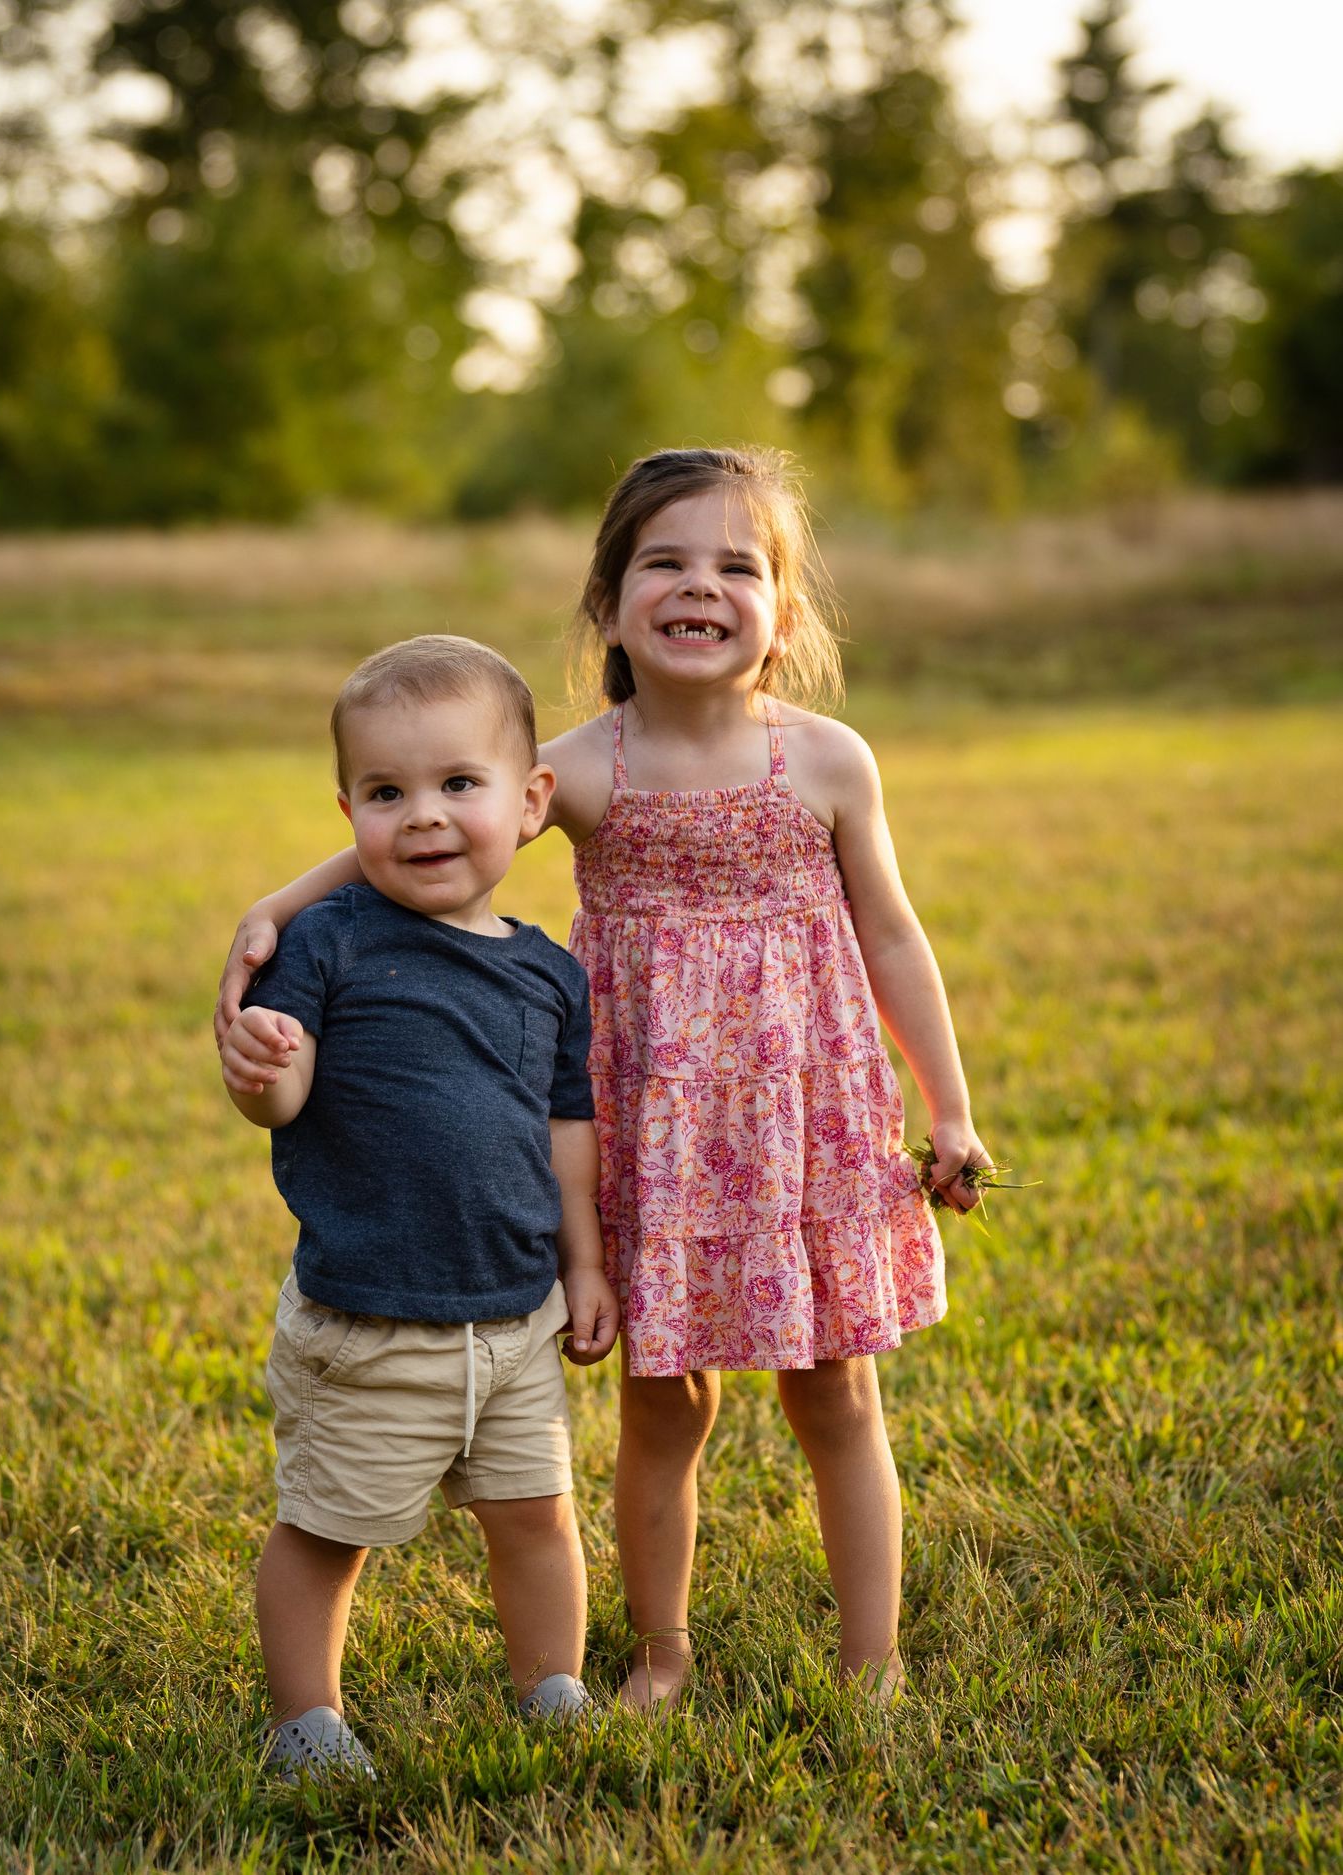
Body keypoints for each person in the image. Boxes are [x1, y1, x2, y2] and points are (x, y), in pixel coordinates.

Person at [217, 448, 990, 1715]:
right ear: (610, 601)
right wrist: (277, 906)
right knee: (665, 1397)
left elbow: (893, 934)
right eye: (665, 563)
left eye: (738, 565)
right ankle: (662, 1649)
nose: (701, 586)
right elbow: (423, 829)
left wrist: (949, 1107)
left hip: (809, 1112)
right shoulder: (581, 769)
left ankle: (875, 1659)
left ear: (783, 612)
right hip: (652, 1120)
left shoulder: (831, 761)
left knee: (836, 1389)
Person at [220, 635, 619, 1781]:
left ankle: (552, 1688)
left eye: (459, 785)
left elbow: (568, 1132)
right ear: (346, 808)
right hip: (372, 1316)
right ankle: (307, 1720)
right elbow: (282, 1098)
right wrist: (266, 1064)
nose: (425, 817)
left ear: (531, 800)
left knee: (538, 1515)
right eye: (388, 794)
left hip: (516, 1315)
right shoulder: (330, 942)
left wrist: (582, 1267)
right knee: (327, 1529)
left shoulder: (551, 972)